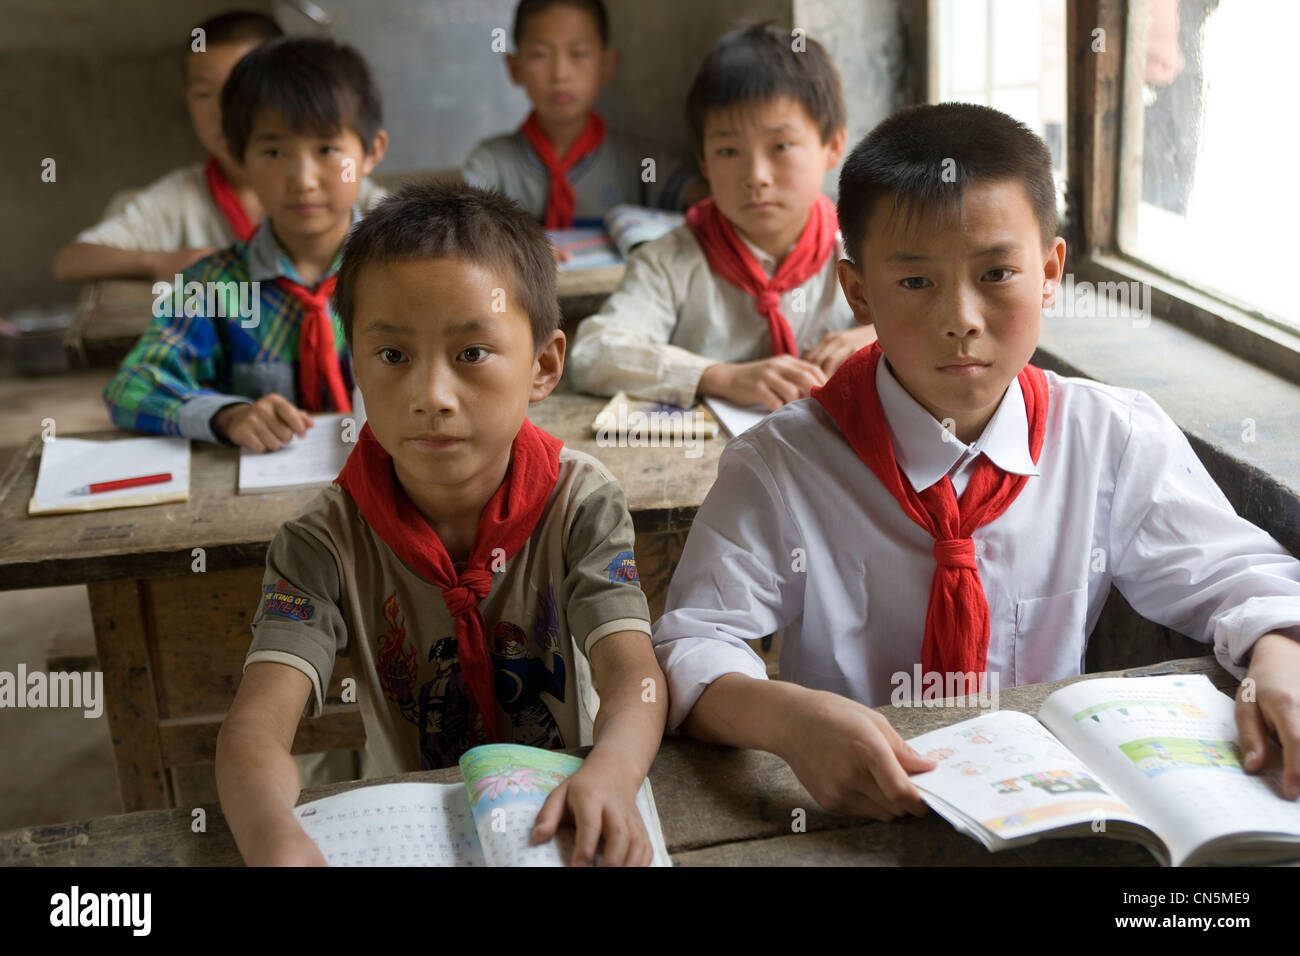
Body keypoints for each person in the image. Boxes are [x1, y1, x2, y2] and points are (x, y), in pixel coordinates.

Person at [652, 103, 1300, 819]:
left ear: (1050, 271)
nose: (960, 317)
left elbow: (1242, 578)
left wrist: (1278, 656)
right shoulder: (783, 466)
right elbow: (693, 644)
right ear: (858, 291)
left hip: (1042, 814)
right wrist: (786, 720)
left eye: (996, 272)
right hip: (852, 813)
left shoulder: (1109, 440)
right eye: (915, 282)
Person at [216, 182, 668, 866]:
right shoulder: (321, 541)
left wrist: (611, 771)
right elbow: (255, 728)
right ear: (356, 364)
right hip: (411, 830)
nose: (431, 397)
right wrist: (272, 836)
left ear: (544, 365)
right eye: (393, 356)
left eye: (471, 354)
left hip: (561, 814)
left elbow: (633, 674)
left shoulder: (581, 501)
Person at [567, 22, 873, 411]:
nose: (756, 177)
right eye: (729, 152)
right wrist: (720, 376)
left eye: (780, 146)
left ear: (832, 146)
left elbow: (946, 324)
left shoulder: (862, 248)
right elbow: (594, 352)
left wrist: (878, 336)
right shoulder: (670, 261)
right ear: (704, 162)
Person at [102, 36, 388, 450]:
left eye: (327, 148)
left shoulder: (406, 273)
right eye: (274, 152)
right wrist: (227, 414)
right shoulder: (212, 286)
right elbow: (131, 388)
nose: (303, 180)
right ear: (239, 158)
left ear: (371, 152)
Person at [52, 11, 385, 283]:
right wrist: (160, 262)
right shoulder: (180, 199)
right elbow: (71, 260)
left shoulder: (345, 193)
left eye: (238, 92)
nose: (223, 110)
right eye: (203, 94)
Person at [461, 0, 700, 228]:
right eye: (540, 55)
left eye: (578, 53)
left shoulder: (642, 163)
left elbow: (703, 202)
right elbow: (468, 232)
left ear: (606, 66)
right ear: (515, 68)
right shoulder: (491, 166)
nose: (560, 74)